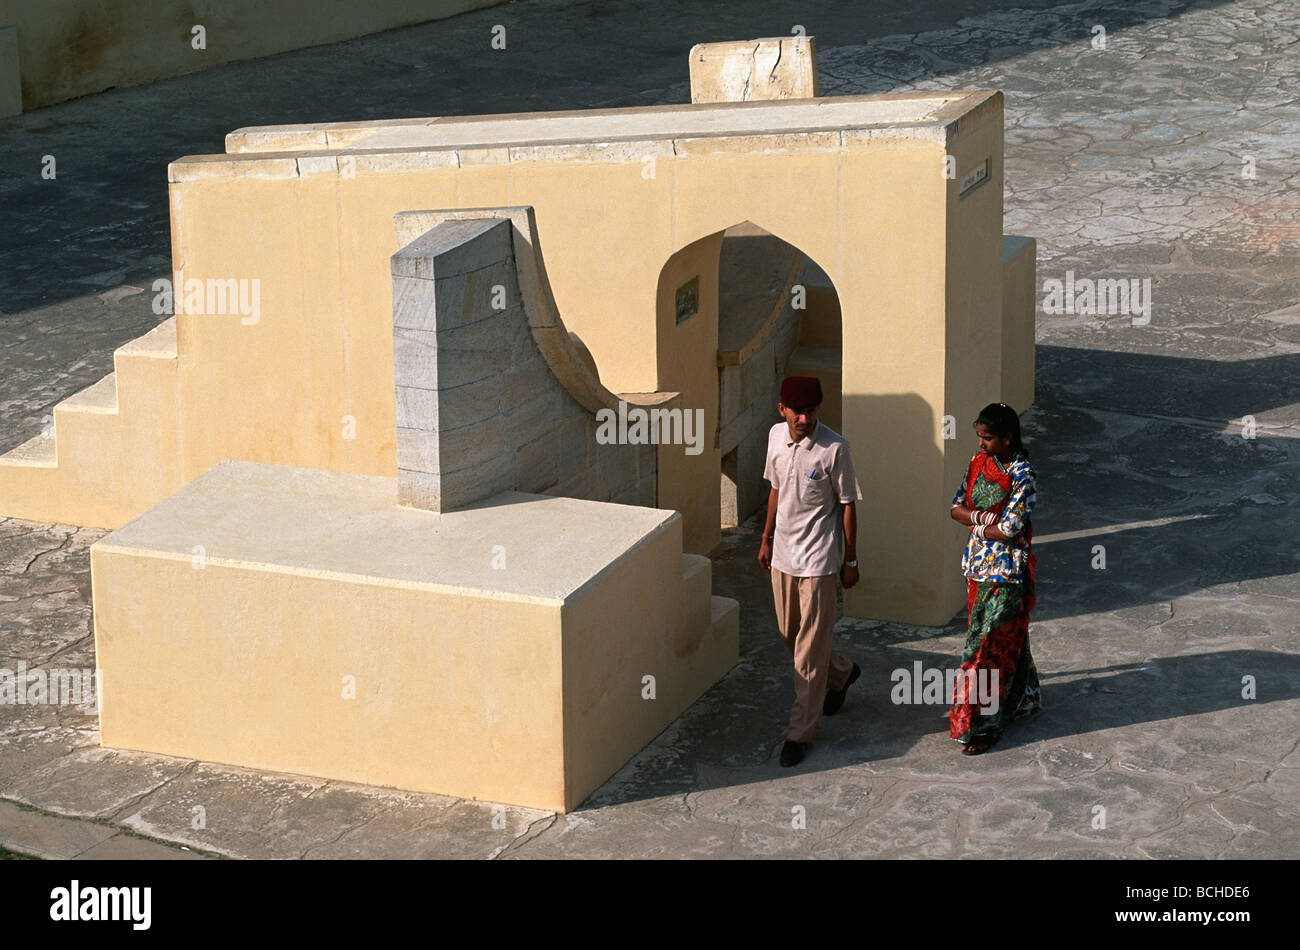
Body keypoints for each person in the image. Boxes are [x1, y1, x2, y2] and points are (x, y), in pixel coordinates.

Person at [758, 376, 863, 767]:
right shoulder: (773, 437)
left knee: (807, 653)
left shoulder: (835, 449)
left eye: (811, 411)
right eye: (797, 411)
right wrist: (766, 538)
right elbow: (775, 488)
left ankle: (800, 732)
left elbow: (849, 504)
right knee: (791, 633)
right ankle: (842, 672)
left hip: (819, 562)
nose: (804, 419)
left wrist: (849, 560)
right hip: (782, 556)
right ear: (781, 408)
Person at [947, 402, 1041, 755]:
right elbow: (955, 507)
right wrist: (986, 522)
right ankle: (1023, 698)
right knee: (1003, 639)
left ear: (1008, 437)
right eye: (979, 437)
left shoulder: (1023, 474)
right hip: (977, 571)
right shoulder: (977, 464)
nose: (982, 444)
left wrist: (976, 523)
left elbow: (1011, 528)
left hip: (1006, 574)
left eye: (988, 438)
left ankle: (981, 725)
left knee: (986, 648)